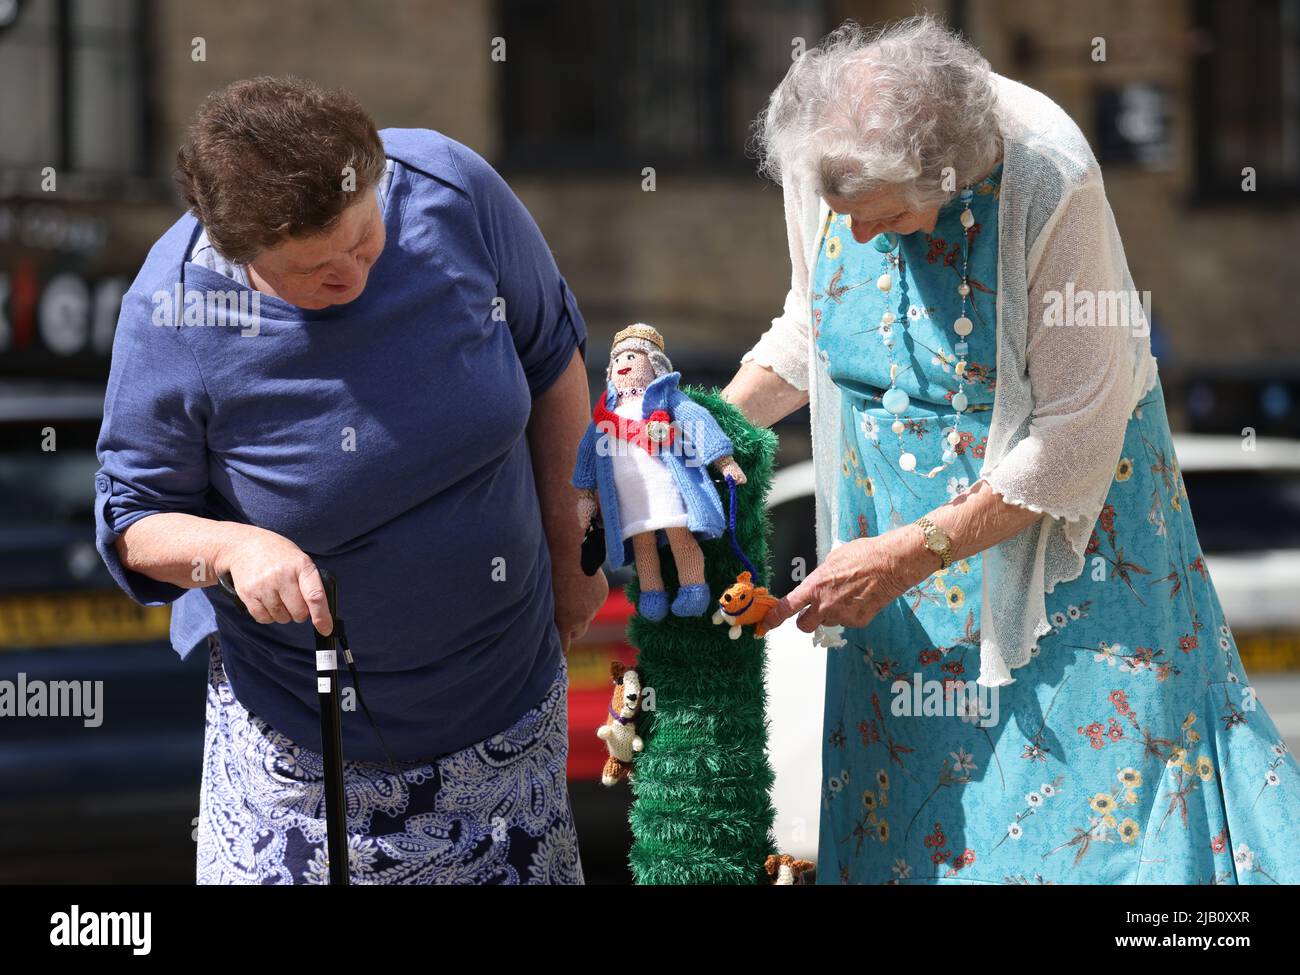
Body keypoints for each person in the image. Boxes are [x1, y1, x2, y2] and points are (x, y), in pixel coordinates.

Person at [722, 17, 1300, 884]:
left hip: (1070, 585)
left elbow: (1074, 438)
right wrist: (715, 425)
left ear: (948, 179)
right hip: (904, 607)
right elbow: (817, 321)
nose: (867, 240)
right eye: (849, 219)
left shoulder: (1048, 174)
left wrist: (908, 554)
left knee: (1091, 835)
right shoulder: (827, 159)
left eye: (889, 219)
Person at [94, 77, 604, 884]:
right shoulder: (176, 312)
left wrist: (576, 555)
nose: (353, 277)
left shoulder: (452, 188)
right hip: (303, 759)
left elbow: (551, 358)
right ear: (241, 255)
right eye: (316, 271)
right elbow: (133, 519)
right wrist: (232, 547)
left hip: (508, 719)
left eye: (364, 240)